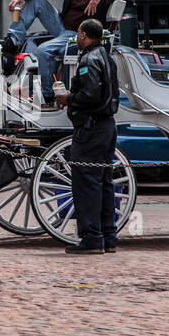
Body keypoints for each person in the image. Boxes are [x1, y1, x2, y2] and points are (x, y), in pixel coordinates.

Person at [0, 0, 132, 110]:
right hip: (62, 25)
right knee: (35, 0)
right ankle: (13, 41)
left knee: (43, 50)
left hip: (80, 35)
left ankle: (49, 98)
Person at [53, 18, 120, 255]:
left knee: (86, 183)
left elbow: (91, 95)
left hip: (91, 129)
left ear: (83, 34)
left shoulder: (89, 59)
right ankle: (108, 237)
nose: (76, 37)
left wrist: (67, 98)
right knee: (103, 182)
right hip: (106, 127)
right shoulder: (106, 56)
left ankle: (92, 238)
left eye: (78, 33)